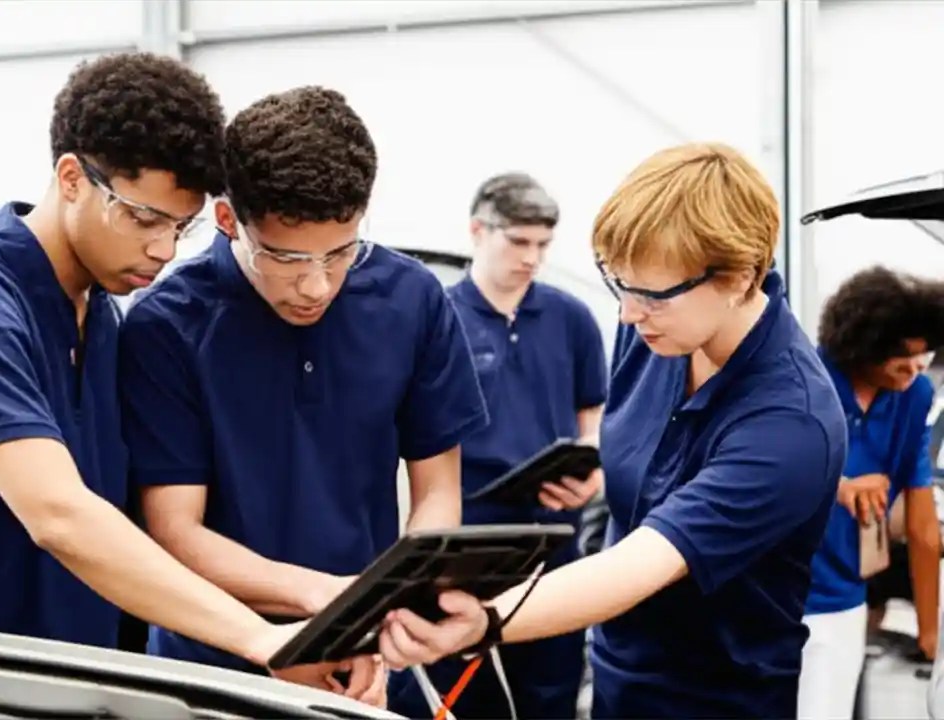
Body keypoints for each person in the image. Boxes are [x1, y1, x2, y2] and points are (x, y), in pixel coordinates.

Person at [0, 53, 381, 700]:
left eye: (181, 227)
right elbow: (58, 513)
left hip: (80, 683)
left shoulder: (105, 320)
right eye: (143, 218)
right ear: (72, 177)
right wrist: (264, 640)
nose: (164, 251)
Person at [374, 142, 849, 719]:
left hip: (715, 701)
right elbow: (634, 472)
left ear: (740, 275)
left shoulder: (792, 422)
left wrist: (488, 620)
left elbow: (647, 559)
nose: (626, 313)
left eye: (651, 294)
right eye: (618, 284)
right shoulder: (660, 331)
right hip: (619, 676)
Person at [117, 85, 487, 680]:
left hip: (361, 656)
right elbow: (174, 531)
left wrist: (390, 610)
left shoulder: (411, 299)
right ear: (228, 219)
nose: (317, 286)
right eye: (287, 259)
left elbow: (438, 493)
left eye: (341, 253)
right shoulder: (167, 326)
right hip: (213, 663)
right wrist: (328, 604)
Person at [389, 173, 607, 718]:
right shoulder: (438, 318)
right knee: (456, 696)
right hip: (464, 541)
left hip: (552, 539)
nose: (532, 258)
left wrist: (591, 477)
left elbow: (594, 426)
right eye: (518, 241)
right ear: (477, 232)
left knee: (551, 695)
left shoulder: (573, 319)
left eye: (543, 245)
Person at [797, 266, 944, 719]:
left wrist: (929, 630)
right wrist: (837, 487)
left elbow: (922, 524)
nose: (917, 367)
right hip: (775, 593)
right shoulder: (804, 380)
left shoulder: (914, 395)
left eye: (926, 356)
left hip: (842, 599)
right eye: (904, 357)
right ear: (865, 345)